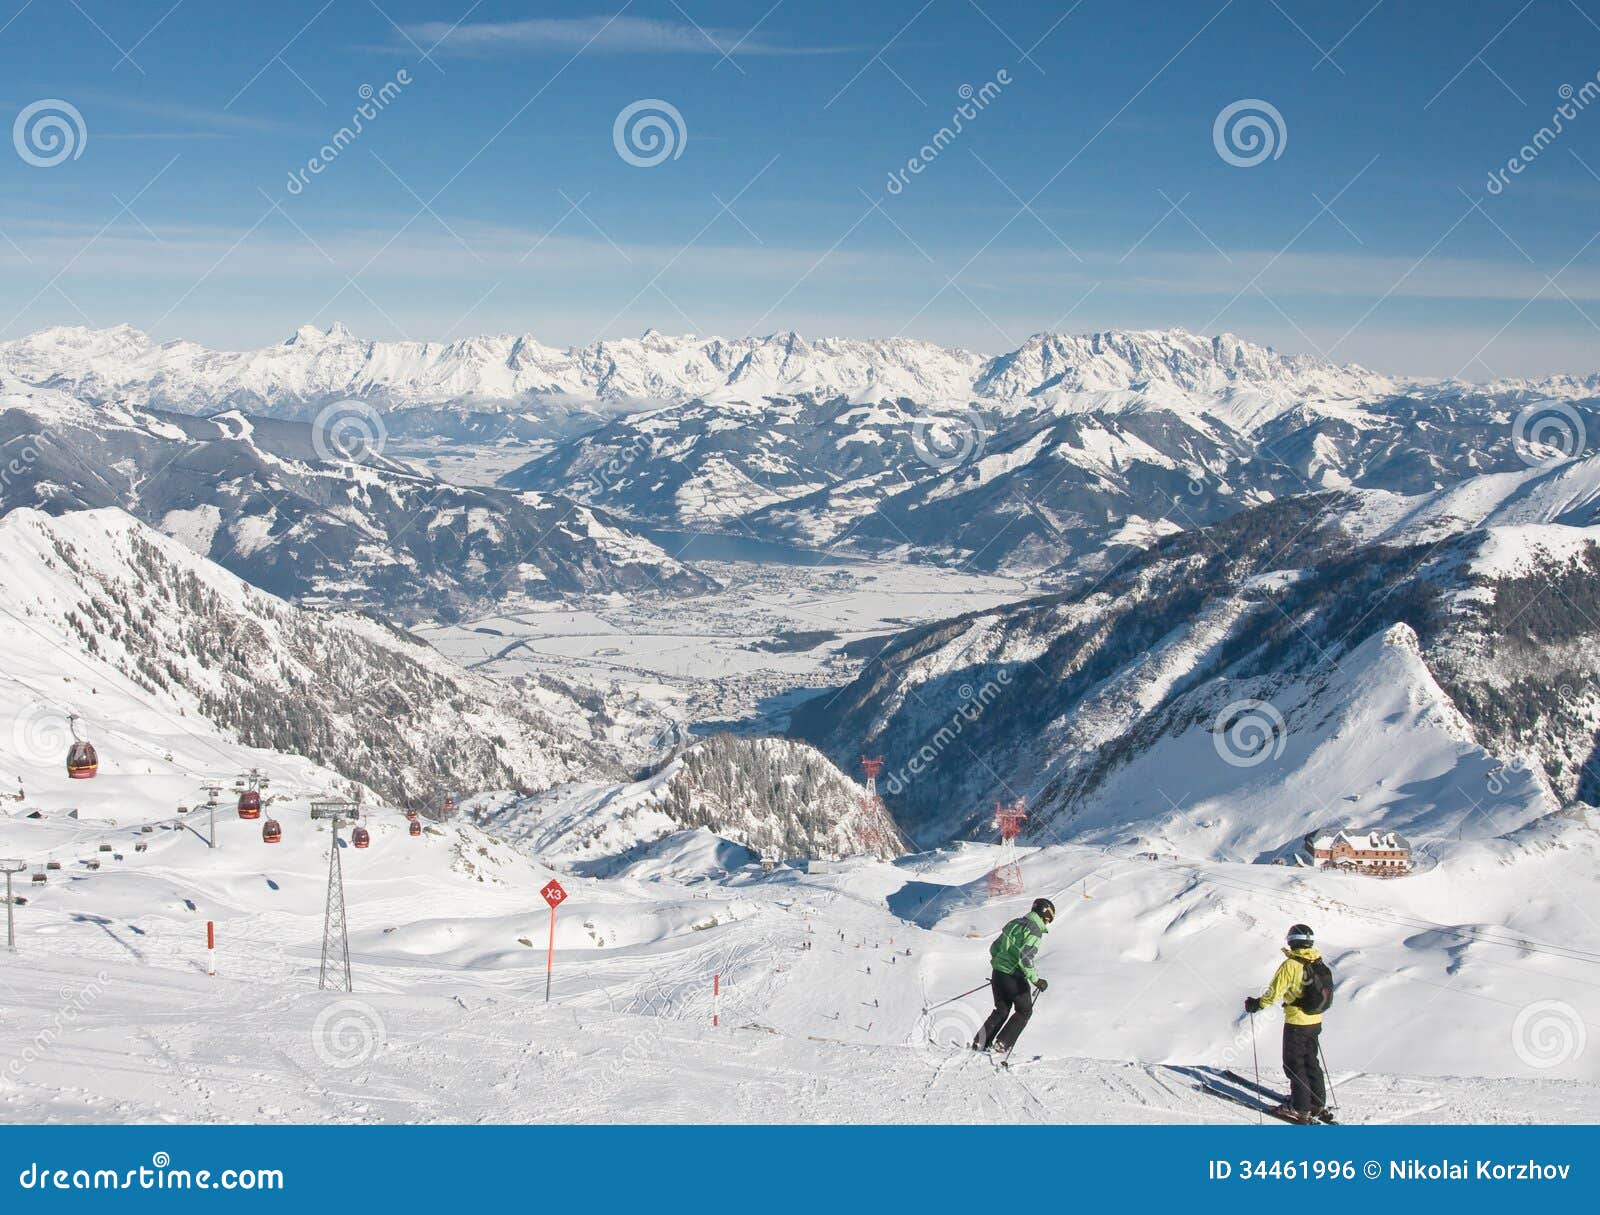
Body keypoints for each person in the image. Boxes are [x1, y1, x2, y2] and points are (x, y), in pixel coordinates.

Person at [1244, 923, 1331, 1124]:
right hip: (1315, 1020)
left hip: (1297, 1021)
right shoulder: (1317, 961)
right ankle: (1316, 1103)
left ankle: (1299, 1108)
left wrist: (1257, 1004)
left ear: (1292, 941)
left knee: (1294, 1063)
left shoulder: (1291, 965)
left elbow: (1274, 993)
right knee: (1311, 1060)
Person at [972, 897, 1054, 1058]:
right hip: (1013, 975)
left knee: (1001, 1010)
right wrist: (1036, 980)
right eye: (1048, 920)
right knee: (1024, 1010)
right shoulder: (1034, 930)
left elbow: (994, 947)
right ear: (1045, 916)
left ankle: (980, 1041)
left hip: (998, 973)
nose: (1046, 924)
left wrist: (999, 964)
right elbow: (1026, 958)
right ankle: (1002, 1043)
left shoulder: (1015, 923)